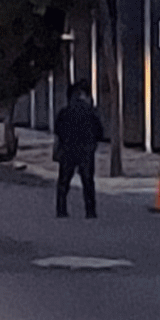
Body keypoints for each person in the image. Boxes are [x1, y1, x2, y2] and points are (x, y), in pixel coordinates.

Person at [53, 81, 104, 219]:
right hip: (85, 151)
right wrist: (92, 145)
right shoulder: (91, 112)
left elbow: (58, 132)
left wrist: (59, 147)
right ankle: (90, 211)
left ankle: (61, 209)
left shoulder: (65, 112)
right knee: (88, 182)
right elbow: (99, 132)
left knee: (63, 182)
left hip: (67, 150)